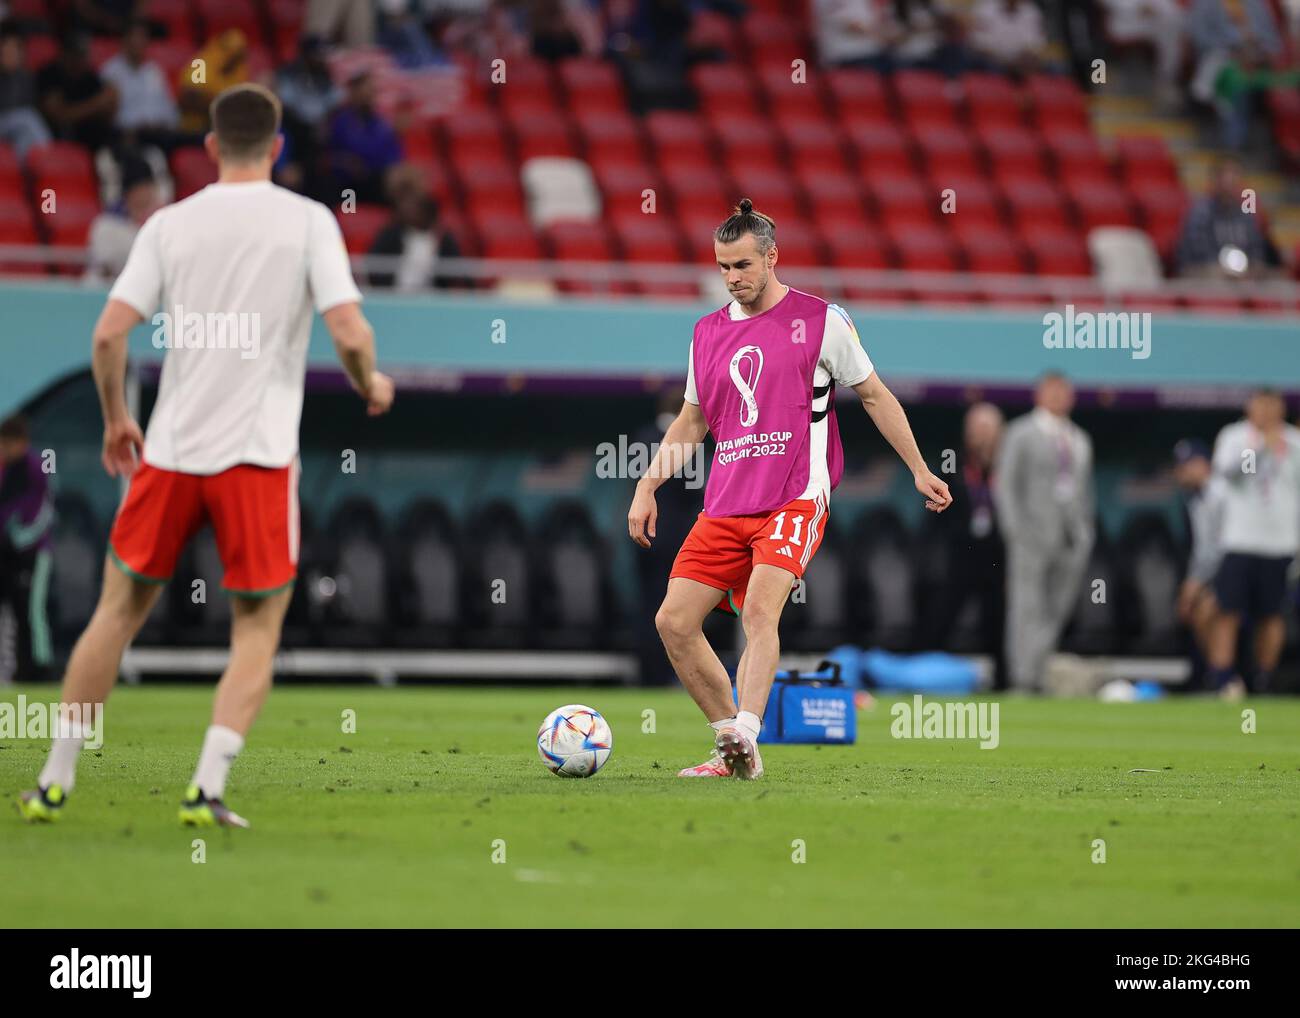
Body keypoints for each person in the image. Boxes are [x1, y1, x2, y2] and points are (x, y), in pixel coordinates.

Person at [17, 83, 395, 828]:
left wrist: (117, 419)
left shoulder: (168, 224)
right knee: (255, 627)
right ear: (277, 146)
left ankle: (54, 782)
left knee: (115, 612)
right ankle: (205, 789)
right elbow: (351, 332)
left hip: (169, 454)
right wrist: (370, 383)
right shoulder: (308, 221)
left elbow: (107, 334)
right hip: (256, 459)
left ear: (212, 147)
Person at [627, 199, 952, 779]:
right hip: (726, 501)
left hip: (796, 496)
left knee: (759, 609)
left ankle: (748, 734)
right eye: (723, 267)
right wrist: (647, 484)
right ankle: (730, 743)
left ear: (772, 257)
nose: (732, 278)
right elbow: (692, 421)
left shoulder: (821, 321)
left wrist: (919, 467)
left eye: (742, 265)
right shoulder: (706, 333)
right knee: (673, 622)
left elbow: (875, 395)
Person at [993, 373, 1095, 691]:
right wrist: (1015, 531)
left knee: (1057, 609)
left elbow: (1083, 491)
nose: (1058, 397)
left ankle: (1038, 673)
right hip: (1031, 536)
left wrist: (1085, 533)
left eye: (1064, 392)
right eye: (1052, 391)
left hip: (1071, 539)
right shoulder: (1021, 432)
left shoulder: (1079, 438)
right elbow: (1005, 485)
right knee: (1026, 608)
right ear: (1038, 395)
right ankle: (1021, 678)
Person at [1206, 389, 1300, 699]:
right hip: (1240, 540)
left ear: (1281, 409)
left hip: (1280, 544)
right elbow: (1231, 473)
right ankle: (1223, 679)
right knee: (1227, 611)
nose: (1266, 412)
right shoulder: (1234, 437)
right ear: (1250, 408)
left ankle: (1263, 680)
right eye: (1260, 405)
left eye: (1272, 406)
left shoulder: (1294, 441)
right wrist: (1261, 446)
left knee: (1272, 614)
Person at [922, 401, 1006, 687]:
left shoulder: (1009, 466)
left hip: (998, 557)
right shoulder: (952, 462)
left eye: (987, 430)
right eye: (976, 429)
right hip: (959, 557)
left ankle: (1004, 684)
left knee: (998, 623)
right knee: (940, 620)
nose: (981, 436)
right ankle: (924, 676)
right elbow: (934, 513)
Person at [0, 413, 56, 683]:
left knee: (33, 609)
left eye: (8, 444)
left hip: (36, 552)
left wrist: (21, 537)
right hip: (7, 553)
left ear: (22, 442)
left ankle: (41, 665)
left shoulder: (39, 465)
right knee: (12, 609)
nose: (4, 450)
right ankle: (14, 667)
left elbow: (46, 510)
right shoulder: (4, 469)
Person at [1176, 158, 1285, 279]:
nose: (1229, 182)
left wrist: (1254, 265)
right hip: (1205, 271)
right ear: (1215, 180)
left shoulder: (1246, 213)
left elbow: (1256, 247)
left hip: (1241, 272)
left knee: (1276, 276)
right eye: (1225, 177)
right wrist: (1224, 269)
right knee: (1215, 275)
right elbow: (1197, 250)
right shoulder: (1200, 211)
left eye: (1234, 176)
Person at [1172, 437, 1225, 675]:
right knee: (1197, 610)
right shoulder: (1196, 499)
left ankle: (1223, 676)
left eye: (1188, 464)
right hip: (1217, 573)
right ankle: (1218, 676)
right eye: (1180, 466)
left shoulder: (1220, 493)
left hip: (1237, 568)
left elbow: (1216, 549)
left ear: (1205, 464)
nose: (1182, 472)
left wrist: (1193, 585)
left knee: (1206, 610)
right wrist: (1192, 585)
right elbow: (1202, 550)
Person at [367, 164, 465, 291]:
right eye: (406, 203)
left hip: (432, 298)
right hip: (393, 295)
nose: (410, 209)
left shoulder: (443, 237)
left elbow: (454, 273)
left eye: (415, 204)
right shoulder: (389, 235)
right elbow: (374, 269)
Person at [99, 18, 179, 150]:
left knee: (197, 140)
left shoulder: (155, 71)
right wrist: (137, 126)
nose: (139, 42)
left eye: (143, 37)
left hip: (160, 133)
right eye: (135, 37)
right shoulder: (110, 71)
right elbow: (109, 117)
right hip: (129, 136)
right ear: (124, 40)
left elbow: (171, 111)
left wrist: (163, 124)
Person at [327, 69, 403, 205]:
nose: (370, 95)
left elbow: (393, 156)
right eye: (366, 90)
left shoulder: (380, 123)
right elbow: (349, 151)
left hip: (378, 180)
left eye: (372, 91)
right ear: (354, 92)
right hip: (349, 185)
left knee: (403, 178)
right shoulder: (340, 120)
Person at [35, 31, 118, 153]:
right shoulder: (49, 74)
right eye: (78, 54)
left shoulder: (89, 77)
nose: (84, 59)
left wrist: (112, 98)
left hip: (93, 139)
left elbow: (108, 111)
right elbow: (59, 116)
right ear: (66, 54)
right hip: (56, 137)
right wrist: (96, 103)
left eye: (84, 54)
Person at [84, 156, 161, 282]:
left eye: (150, 187)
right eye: (144, 187)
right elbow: (106, 269)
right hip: (102, 288)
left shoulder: (159, 223)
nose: (149, 193)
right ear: (131, 190)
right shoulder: (106, 224)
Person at [0, 21, 53, 157]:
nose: (11, 54)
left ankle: (26, 168)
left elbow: (31, 104)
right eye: (7, 49)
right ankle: (48, 157)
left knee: (24, 137)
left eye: (16, 50)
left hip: (16, 127)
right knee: (27, 118)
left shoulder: (26, 77)